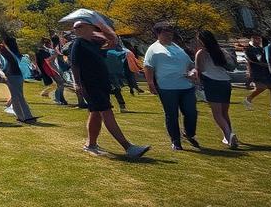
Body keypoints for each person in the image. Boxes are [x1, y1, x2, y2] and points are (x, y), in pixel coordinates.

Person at [68, 18, 149, 159]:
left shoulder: (93, 43)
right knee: (106, 112)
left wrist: (101, 26)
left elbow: (113, 41)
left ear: (90, 27)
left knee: (96, 113)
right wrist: (77, 83)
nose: (76, 29)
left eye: (80, 26)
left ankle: (91, 144)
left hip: (101, 83)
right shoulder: (78, 43)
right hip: (90, 84)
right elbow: (74, 65)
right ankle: (128, 147)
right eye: (75, 27)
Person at [144, 22, 200, 151]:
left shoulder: (178, 48)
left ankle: (189, 133)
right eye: (166, 32)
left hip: (186, 86)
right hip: (167, 87)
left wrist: (193, 73)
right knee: (172, 114)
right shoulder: (154, 49)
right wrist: (151, 83)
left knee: (191, 112)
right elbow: (148, 66)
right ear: (158, 34)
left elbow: (191, 65)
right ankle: (175, 140)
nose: (169, 35)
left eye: (170, 32)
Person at [192, 29, 237, 149]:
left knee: (217, 113)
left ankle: (228, 135)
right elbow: (230, 66)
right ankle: (228, 134)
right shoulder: (221, 51)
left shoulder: (201, 53)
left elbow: (199, 69)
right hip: (225, 82)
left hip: (212, 82)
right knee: (224, 112)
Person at [0, 35, 36, 123]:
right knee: (17, 97)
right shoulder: (16, 53)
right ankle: (23, 116)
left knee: (17, 97)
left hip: (12, 76)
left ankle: (25, 116)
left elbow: (2, 53)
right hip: (18, 76)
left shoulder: (9, 53)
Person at [242, 34, 271, 116]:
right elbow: (251, 61)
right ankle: (248, 98)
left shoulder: (263, 49)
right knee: (261, 87)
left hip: (266, 72)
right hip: (256, 72)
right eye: (256, 38)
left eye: (259, 39)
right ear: (252, 39)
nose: (258, 40)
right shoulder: (248, 49)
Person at [104, 42, 130, 111]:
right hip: (109, 72)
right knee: (115, 89)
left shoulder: (111, 51)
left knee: (115, 89)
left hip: (110, 72)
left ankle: (120, 105)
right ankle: (120, 106)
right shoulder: (111, 51)